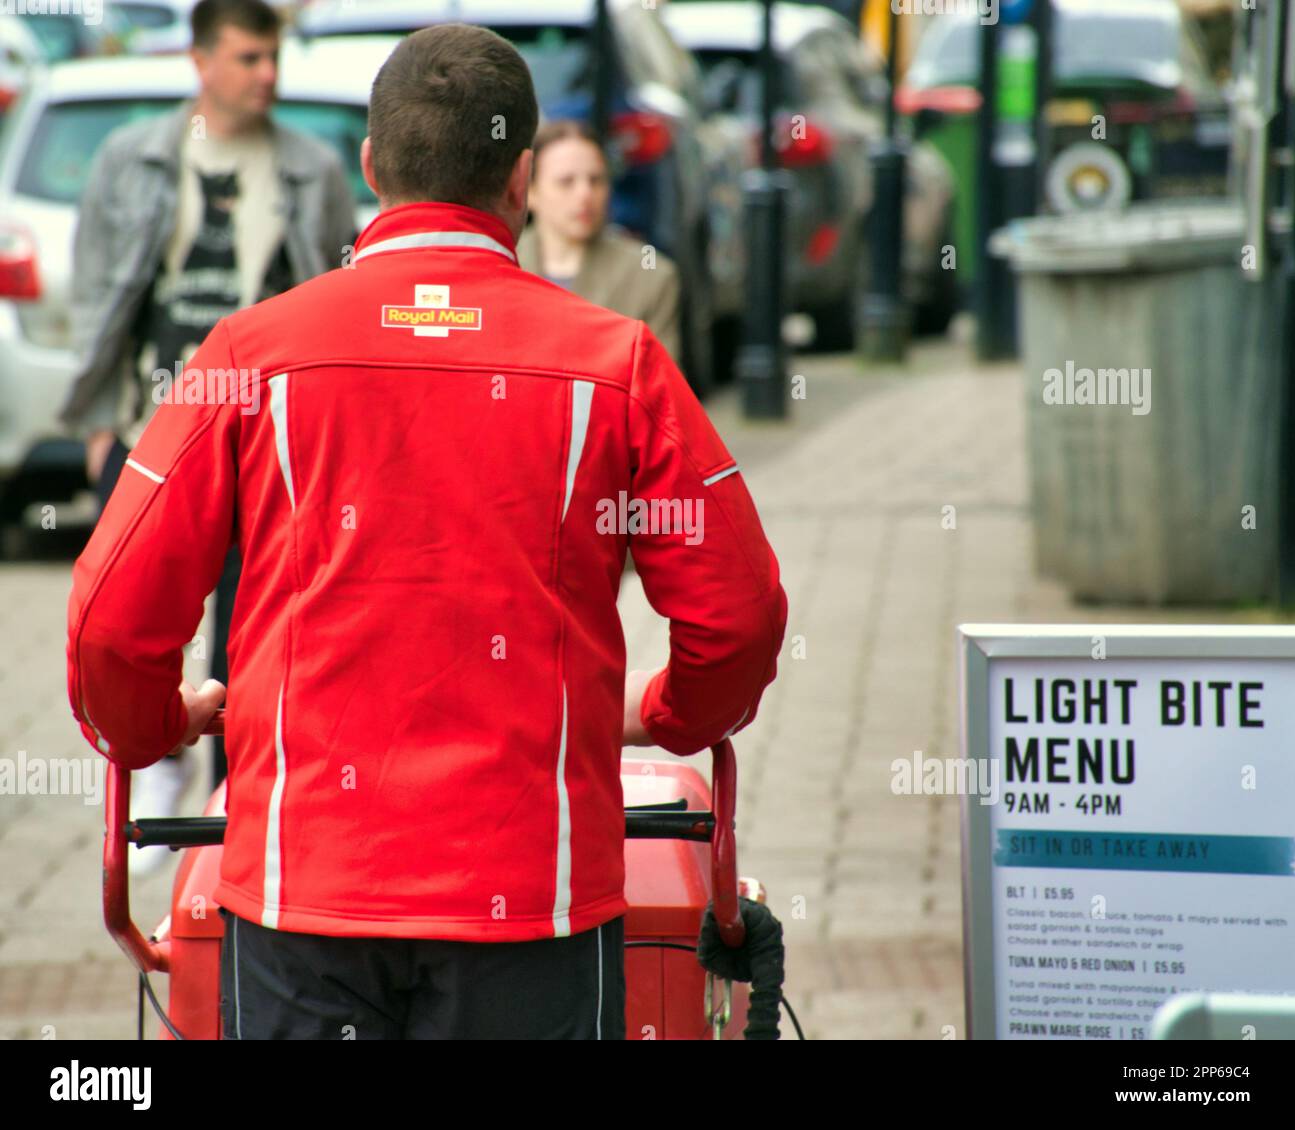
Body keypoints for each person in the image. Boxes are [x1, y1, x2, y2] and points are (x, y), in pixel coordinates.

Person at [66, 23, 786, 1040]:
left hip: (300, 890)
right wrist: (667, 711)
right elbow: (742, 613)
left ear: (369, 166)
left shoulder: (249, 354)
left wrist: (152, 725)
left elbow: (107, 615)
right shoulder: (614, 365)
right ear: (521, 179)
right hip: (532, 896)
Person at [57, 0, 356, 875]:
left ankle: (239, 795)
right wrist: (101, 419)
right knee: (144, 606)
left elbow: (334, 293)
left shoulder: (310, 167)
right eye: (250, 56)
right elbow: (99, 294)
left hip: (269, 433)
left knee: (254, 619)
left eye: (275, 57)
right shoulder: (134, 157)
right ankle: (158, 760)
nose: (268, 74)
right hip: (156, 421)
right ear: (200, 59)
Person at [516, 119, 681, 364]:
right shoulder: (499, 262)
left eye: (596, 180)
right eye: (566, 181)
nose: (585, 194)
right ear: (531, 191)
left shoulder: (650, 275)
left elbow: (661, 386)